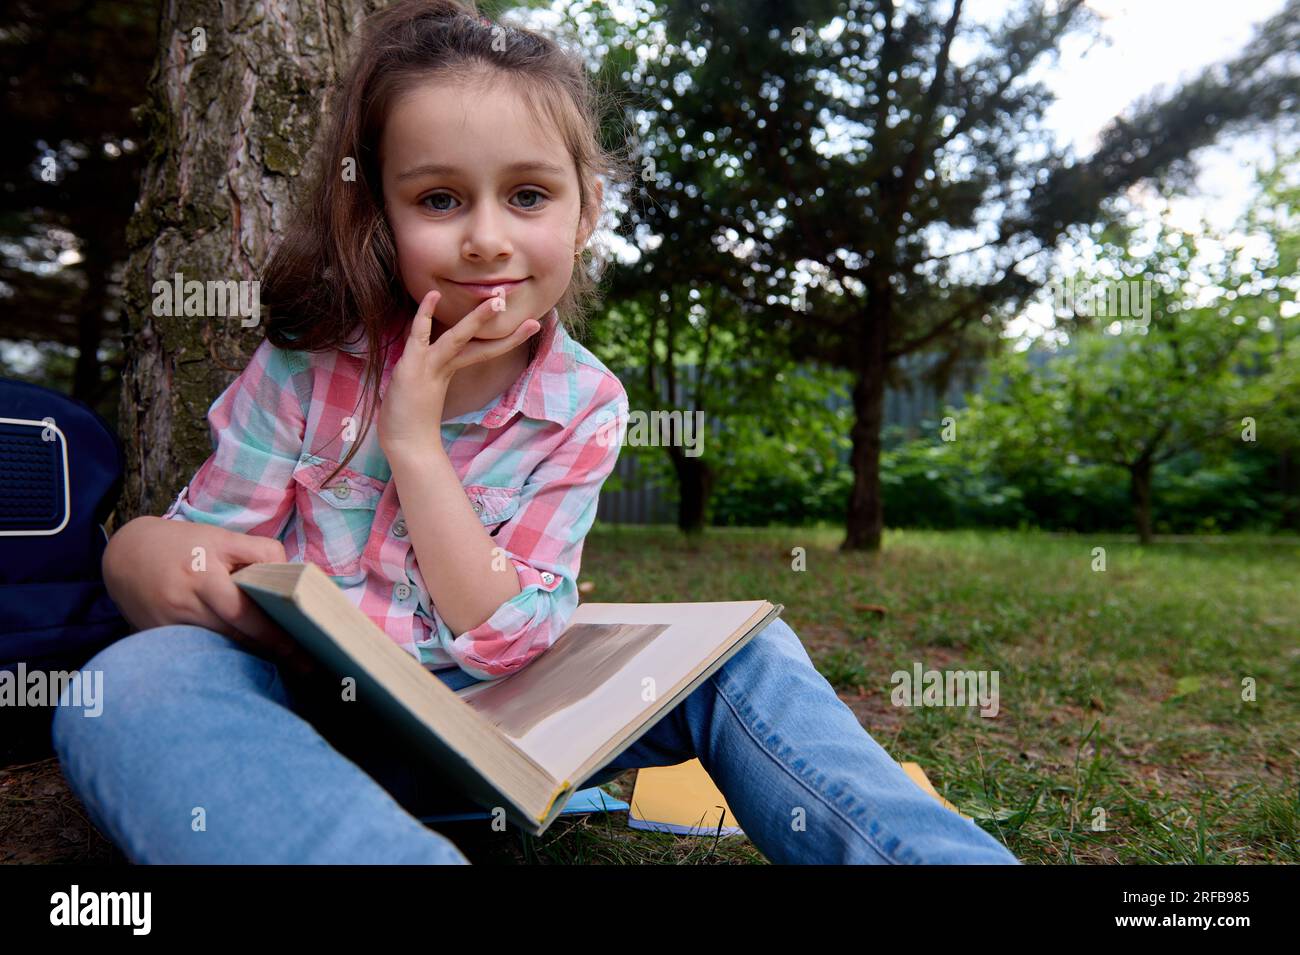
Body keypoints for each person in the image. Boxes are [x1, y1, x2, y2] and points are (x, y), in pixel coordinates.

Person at [52, 0, 1019, 866]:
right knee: (138, 679)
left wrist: (417, 444)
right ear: (379, 214)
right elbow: (206, 546)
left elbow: (505, 635)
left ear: (584, 208)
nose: (486, 237)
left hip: (499, 736)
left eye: (527, 195)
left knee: (748, 654)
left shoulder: (585, 400)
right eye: (439, 199)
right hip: (311, 734)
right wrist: (147, 558)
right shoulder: (308, 365)